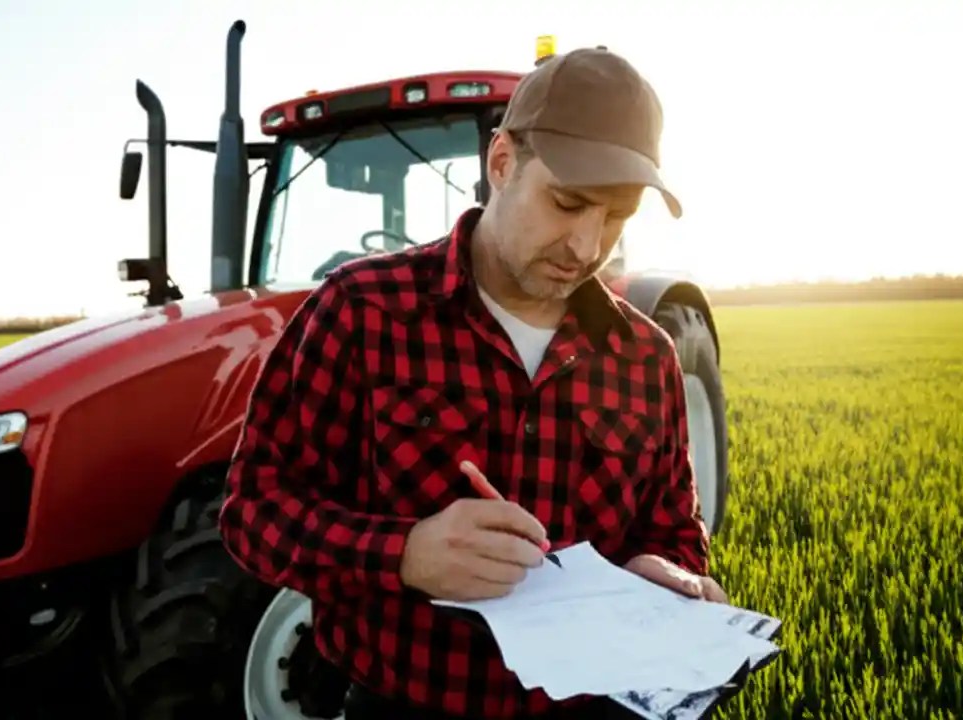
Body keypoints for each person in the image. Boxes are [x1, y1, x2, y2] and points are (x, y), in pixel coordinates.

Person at [219, 46, 726, 720]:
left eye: (616, 217)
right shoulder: (362, 311)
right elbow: (254, 508)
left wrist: (666, 573)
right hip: (403, 703)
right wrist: (402, 553)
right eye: (567, 203)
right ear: (501, 163)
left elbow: (673, 530)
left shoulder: (646, 357)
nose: (586, 246)